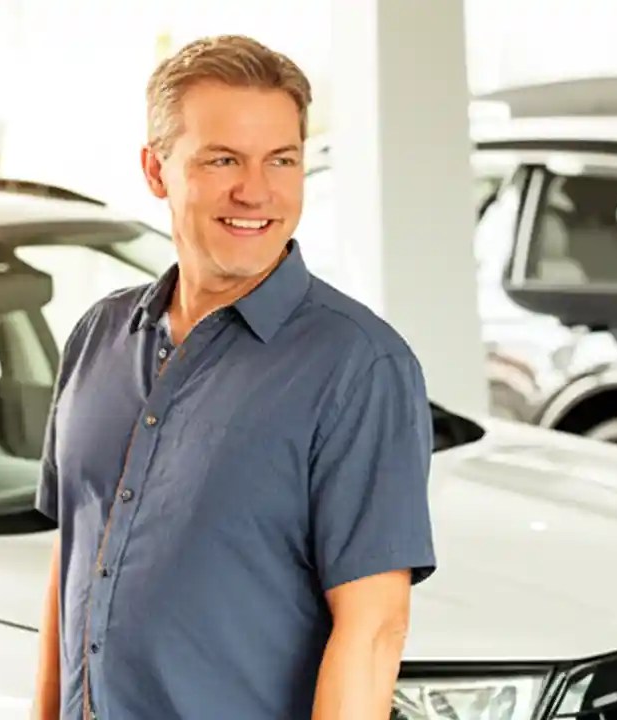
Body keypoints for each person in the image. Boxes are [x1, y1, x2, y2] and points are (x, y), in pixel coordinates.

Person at [32, 34, 436, 719]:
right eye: (223, 160)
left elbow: (372, 632)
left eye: (282, 160)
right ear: (155, 170)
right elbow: (71, 562)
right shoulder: (98, 337)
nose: (257, 191)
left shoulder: (358, 366)